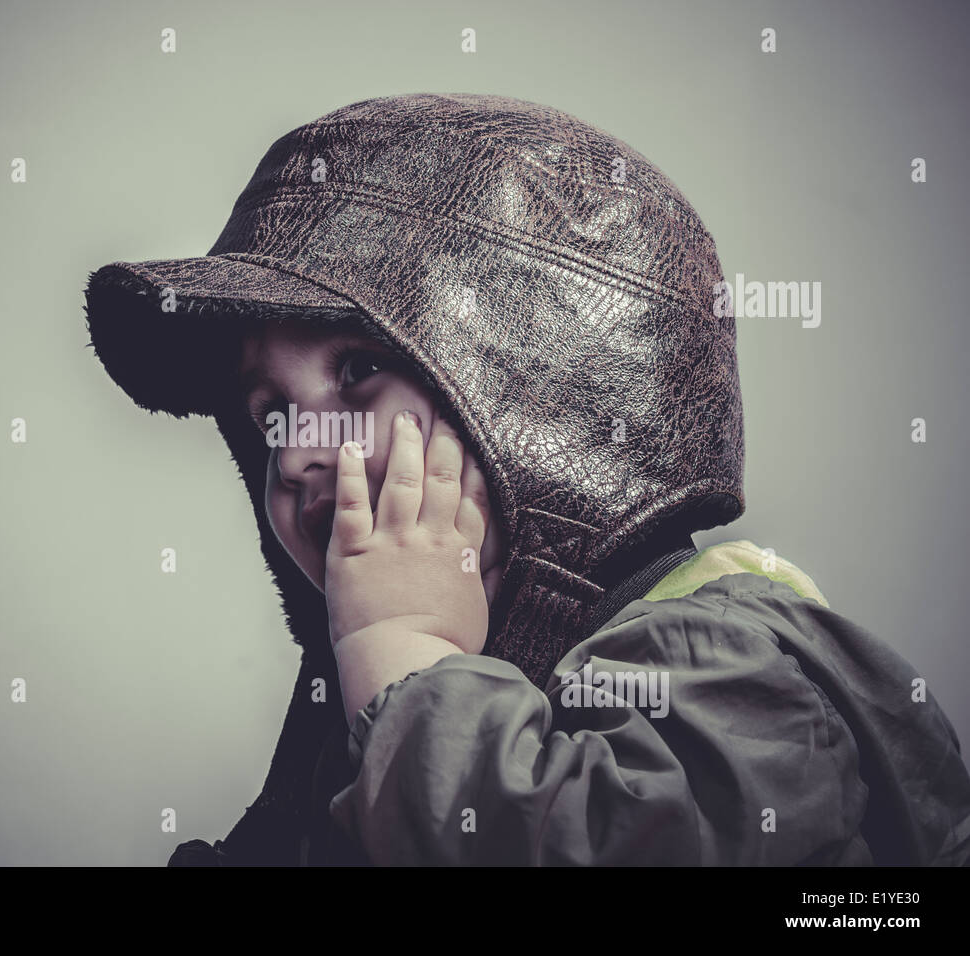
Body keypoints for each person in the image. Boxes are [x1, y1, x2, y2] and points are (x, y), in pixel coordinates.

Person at [82, 92, 970, 865]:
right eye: (269, 414)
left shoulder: (724, 661)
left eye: (356, 371)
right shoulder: (364, 692)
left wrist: (413, 666)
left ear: (541, 384)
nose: (299, 450)